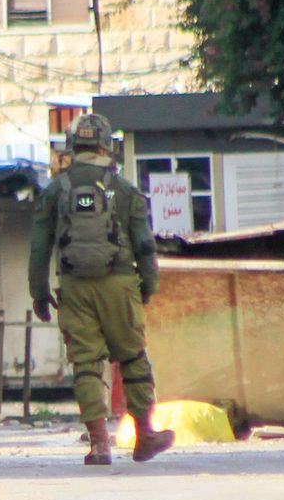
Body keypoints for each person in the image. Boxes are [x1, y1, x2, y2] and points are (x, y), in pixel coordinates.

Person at [28, 112, 175, 466]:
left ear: (73, 145)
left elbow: (39, 247)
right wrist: (149, 286)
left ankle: (99, 445)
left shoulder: (55, 191)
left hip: (75, 287)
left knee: (86, 364)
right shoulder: (123, 190)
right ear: (107, 145)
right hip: (120, 284)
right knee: (133, 357)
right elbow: (144, 244)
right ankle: (144, 434)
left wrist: (39, 292)